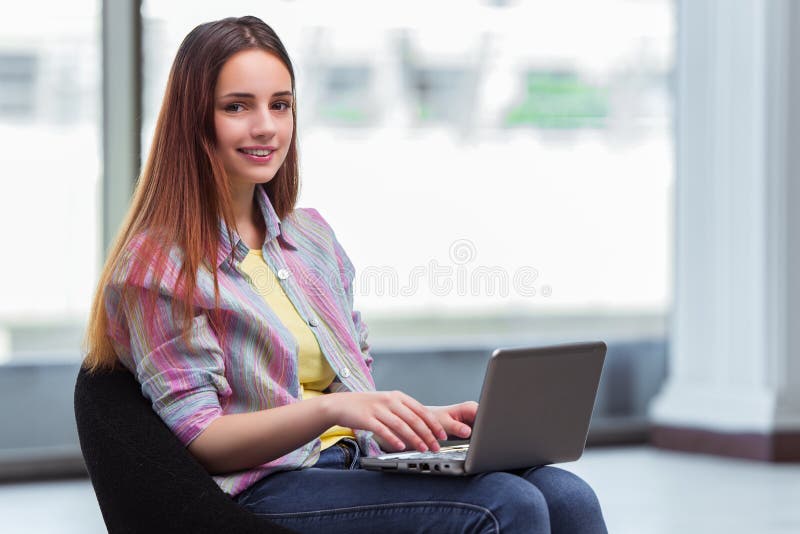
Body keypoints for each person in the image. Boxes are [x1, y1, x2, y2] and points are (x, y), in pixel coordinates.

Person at [82, 15, 607, 534]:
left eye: (280, 105)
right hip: (270, 487)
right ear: (194, 121)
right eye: (237, 106)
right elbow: (203, 440)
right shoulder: (157, 268)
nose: (266, 125)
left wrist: (421, 421)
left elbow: (349, 384)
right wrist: (337, 410)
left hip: (360, 461)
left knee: (567, 495)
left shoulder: (310, 239)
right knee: (503, 505)